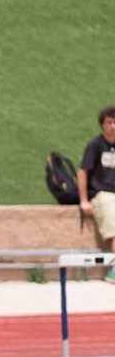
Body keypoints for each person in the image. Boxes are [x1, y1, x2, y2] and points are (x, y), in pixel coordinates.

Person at [78, 105, 115, 282]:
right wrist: (84, 200)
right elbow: (83, 172)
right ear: (102, 125)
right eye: (109, 122)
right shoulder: (95, 145)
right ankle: (114, 271)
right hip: (103, 194)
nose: (113, 126)